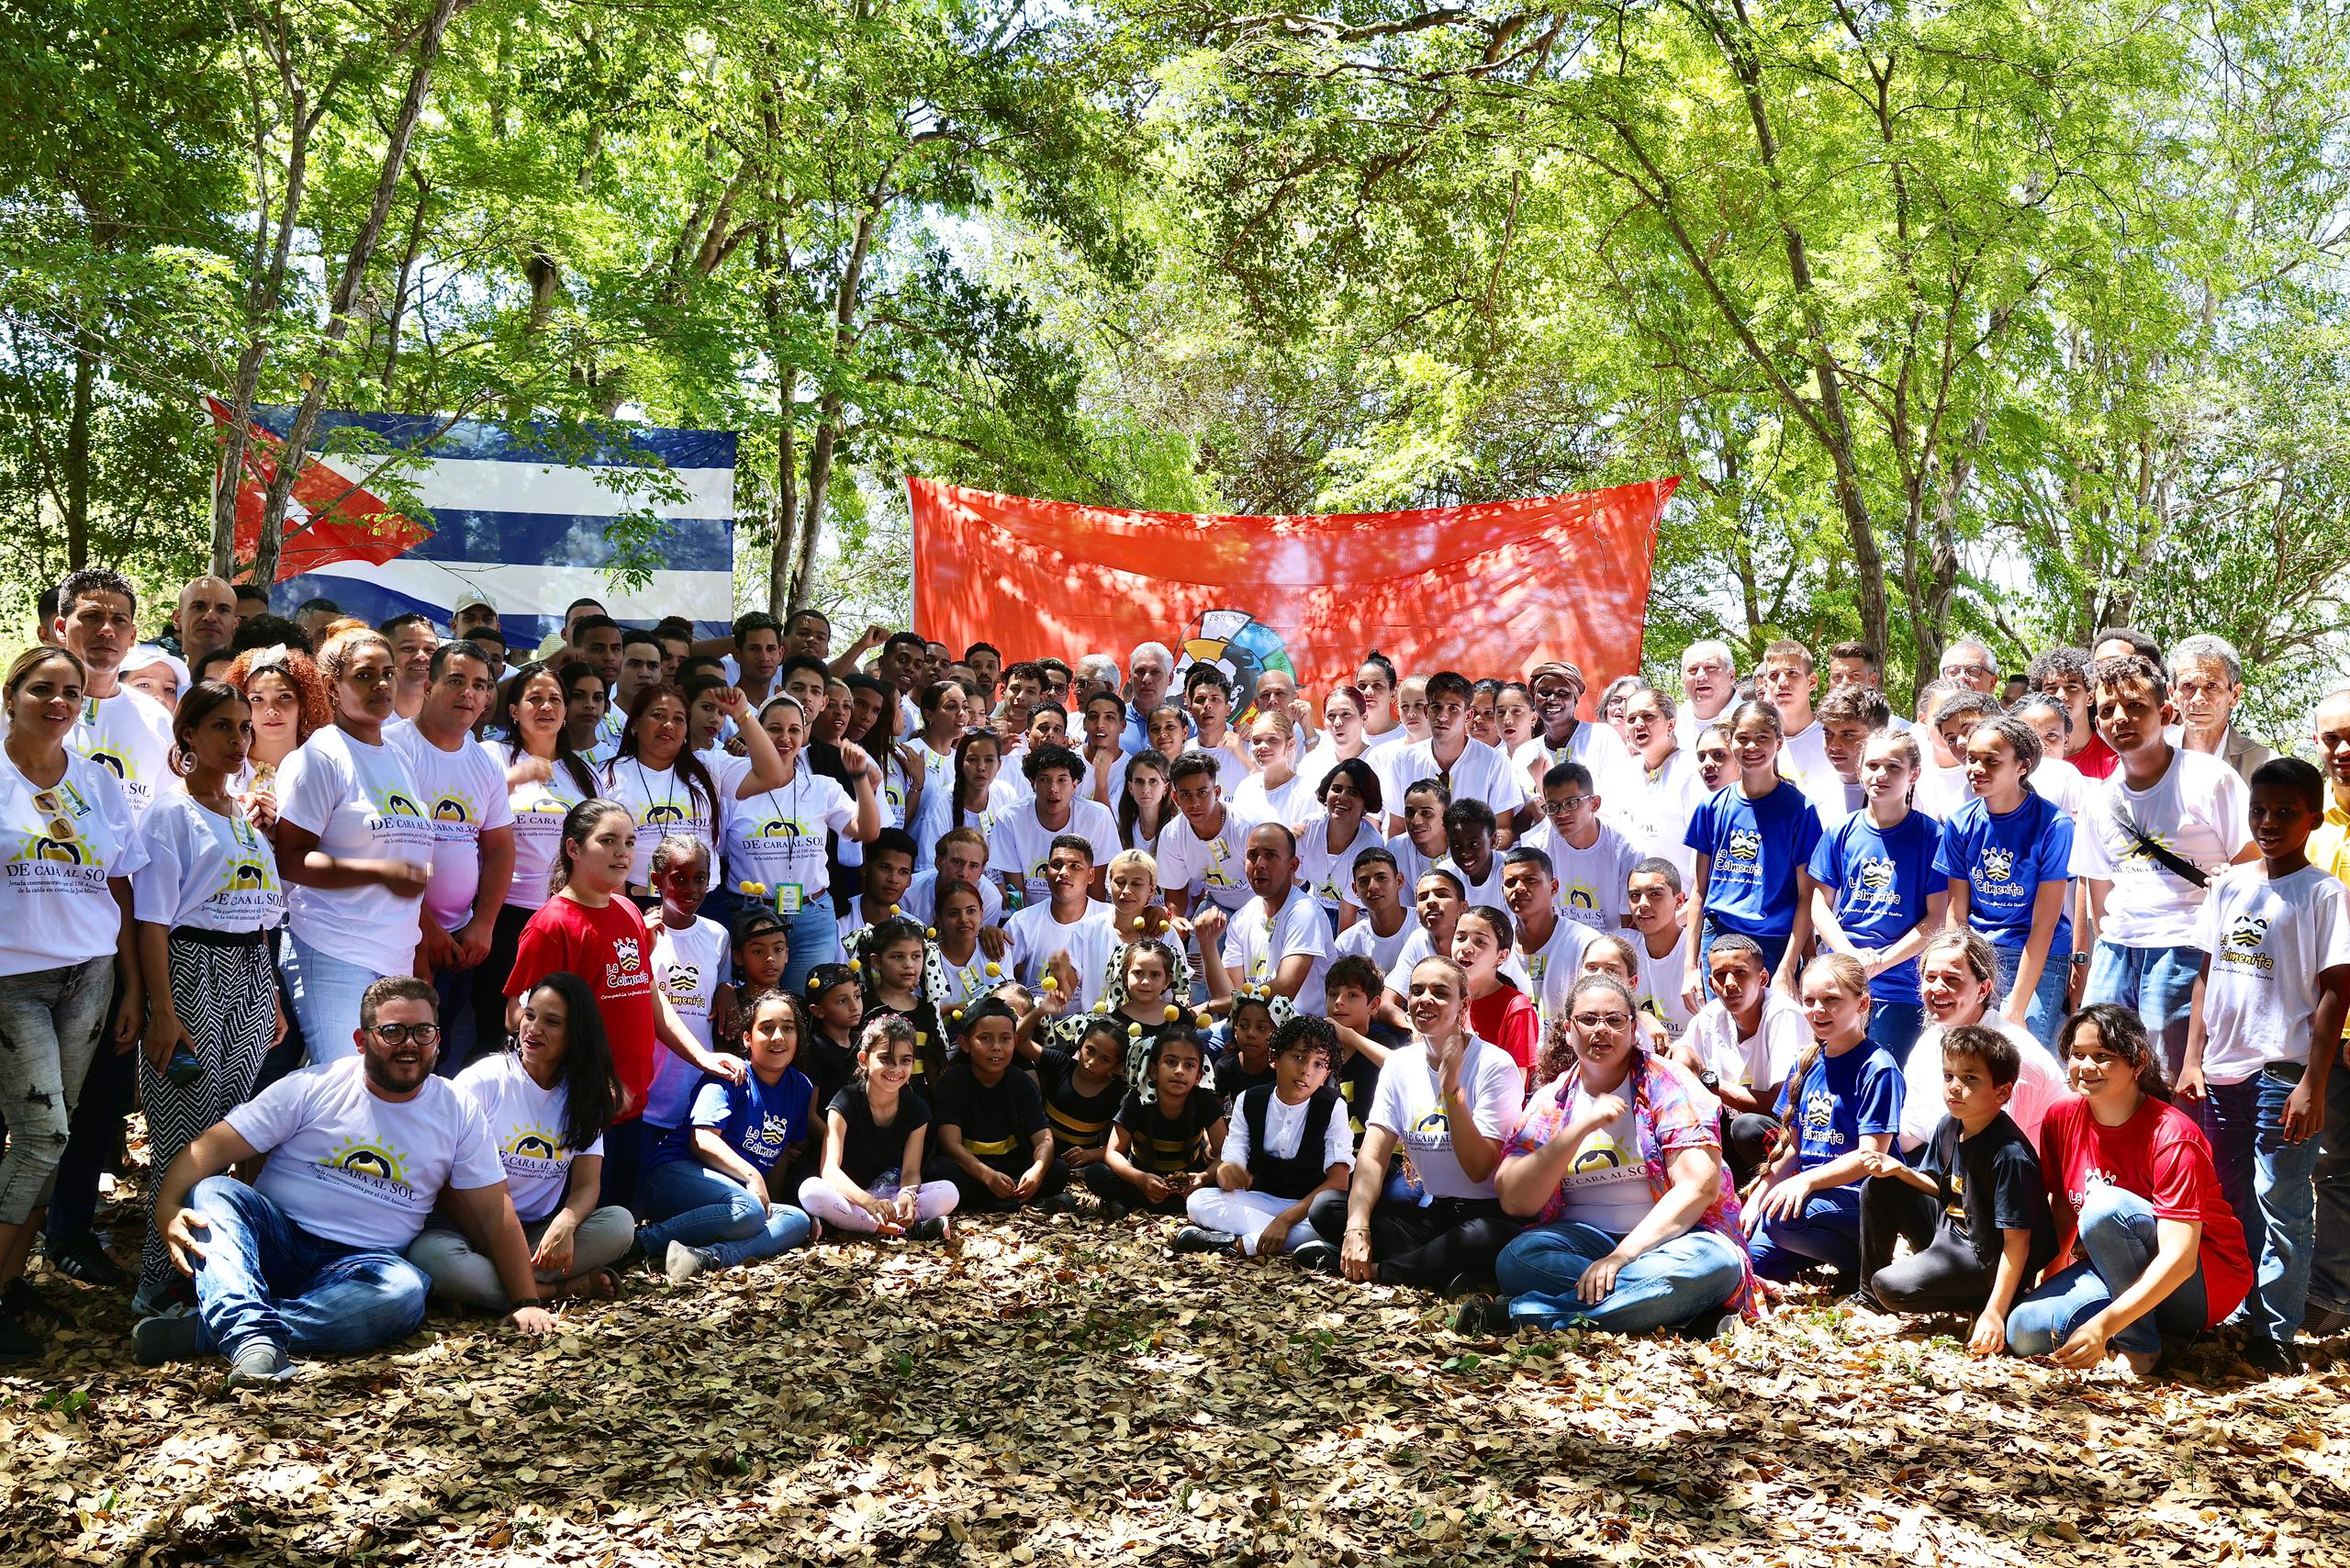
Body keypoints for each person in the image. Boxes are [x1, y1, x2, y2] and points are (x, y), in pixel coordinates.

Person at [136, 978, 554, 1385]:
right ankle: (249, 1334)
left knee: (406, 1292)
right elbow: (210, 1148)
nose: (409, 1043)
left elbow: (494, 1210)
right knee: (216, 1191)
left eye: (423, 1031)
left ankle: (222, 1333)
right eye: (392, 1031)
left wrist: (526, 1302)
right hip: (275, 1240)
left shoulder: (457, 1108)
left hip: (363, 1267)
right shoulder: (313, 1085)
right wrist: (166, 1208)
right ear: (361, 1039)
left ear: (438, 1040)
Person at [2178, 757, 2350, 1368]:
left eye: (2285, 812)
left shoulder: (2325, 894)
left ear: (2312, 817)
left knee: (2283, 1200)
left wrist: (2314, 1081)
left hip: (2285, 1072)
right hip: (2223, 1072)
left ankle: (2276, 1330)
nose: (2270, 822)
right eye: (2261, 811)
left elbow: (2335, 991)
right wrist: (2193, 1059)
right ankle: (2236, 1306)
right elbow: (2204, 974)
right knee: (2229, 1197)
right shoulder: (2228, 885)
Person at [1464, 974, 1753, 1336]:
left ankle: (1524, 1315)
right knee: (1517, 1258)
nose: (1601, 1030)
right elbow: (1515, 1200)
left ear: (1633, 1030)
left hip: (1672, 1242)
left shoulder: (1669, 1083)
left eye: (1614, 1020)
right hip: (1581, 1242)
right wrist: (1578, 1129)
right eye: (1588, 1019)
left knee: (1716, 1263)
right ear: (1569, 1030)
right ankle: (1680, 1312)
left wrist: (1621, 1258)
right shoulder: (1549, 1101)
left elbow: (1699, 1187)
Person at [0, 647, 144, 1355]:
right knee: (42, 1135)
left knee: (49, 1148)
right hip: (12, 981)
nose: (57, 702)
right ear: (11, 695)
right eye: (40, 689)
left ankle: (12, 1277)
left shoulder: (96, 783)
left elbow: (118, 885)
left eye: (69, 692)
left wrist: (133, 987)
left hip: (88, 977)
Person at [129, 682, 287, 1316]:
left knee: (229, 1131)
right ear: (188, 734)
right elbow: (153, 920)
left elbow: (260, 910)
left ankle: (210, 1276)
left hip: (250, 971)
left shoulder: (243, 815)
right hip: (192, 970)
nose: (237, 740)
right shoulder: (172, 814)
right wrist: (161, 1011)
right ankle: (155, 1281)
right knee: (181, 1135)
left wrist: (270, 991)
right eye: (222, 726)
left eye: (245, 728)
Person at [507, 801, 746, 1212]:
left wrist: (702, 1056)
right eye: (609, 841)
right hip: (578, 1107)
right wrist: (585, 1075)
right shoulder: (551, 925)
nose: (623, 852)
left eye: (630, 842)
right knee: (575, 1220)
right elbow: (517, 1017)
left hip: (632, 1102)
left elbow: (648, 997)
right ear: (574, 849)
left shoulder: (628, 911)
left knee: (619, 1218)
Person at [2007, 1004, 2252, 1374]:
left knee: (2105, 1208)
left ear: (2137, 1063)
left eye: (2102, 1056)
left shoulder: (2173, 1135)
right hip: (2114, 1266)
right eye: (2077, 1055)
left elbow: (2180, 1259)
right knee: (2024, 1330)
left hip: (2202, 1281)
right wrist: (2052, 1274)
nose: (2086, 1067)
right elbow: (2061, 1209)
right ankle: (2145, 1323)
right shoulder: (2061, 1116)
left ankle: (2141, 1348)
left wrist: (2103, 1326)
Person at [2073, 655, 2255, 1077]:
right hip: (2117, 953)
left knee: (2170, 1078)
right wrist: (2104, 950)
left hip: (2187, 951)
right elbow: (2099, 889)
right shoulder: (2098, 799)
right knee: (2104, 1076)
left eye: (2135, 706)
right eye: (2107, 711)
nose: (2121, 718)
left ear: (2166, 713)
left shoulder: (2212, 779)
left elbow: (2252, 871)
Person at [411, 972, 634, 1307]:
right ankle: (557, 1289)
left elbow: (588, 1185)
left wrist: (566, 1222)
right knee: (435, 1258)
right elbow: (441, 1183)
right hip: (466, 1229)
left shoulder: (585, 1095)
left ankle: (488, 1290)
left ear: (577, 1035)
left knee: (619, 1224)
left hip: (535, 1232)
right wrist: (497, 1246)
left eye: (552, 1022)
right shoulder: (484, 1079)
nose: (533, 1028)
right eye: (529, 1015)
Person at [1313, 955, 1526, 1291]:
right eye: (1416, 990)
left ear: (1463, 1005)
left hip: (1486, 1215)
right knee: (1328, 1208)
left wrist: (1453, 1093)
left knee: (1485, 1239)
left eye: (1440, 992)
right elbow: (1372, 1156)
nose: (1425, 999)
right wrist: (1357, 1226)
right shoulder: (1400, 1064)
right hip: (1435, 1215)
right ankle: (1441, 1270)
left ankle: (1382, 1270)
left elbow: (1479, 1168)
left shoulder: (1495, 1066)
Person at [272, 626, 433, 1061]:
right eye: (364, 676)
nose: (381, 684)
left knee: (387, 1086)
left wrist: (417, 950)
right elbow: (290, 859)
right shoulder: (319, 756)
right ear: (332, 687)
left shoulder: (399, 758)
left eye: (388, 673)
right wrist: (380, 873)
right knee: (345, 1083)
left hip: (396, 952)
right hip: (332, 948)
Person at [1855, 1024, 2058, 1352]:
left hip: (1984, 1254)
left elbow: (2017, 1242)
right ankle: (1868, 1300)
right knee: (1880, 1186)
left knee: (1890, 1285)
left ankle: (1983, 1300)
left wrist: (1995, 1311)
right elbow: (1940, 1186)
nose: (1955, 1087)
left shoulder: (2010, 1155)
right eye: (1949, 1076)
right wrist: (1899, 1171)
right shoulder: (1951, 1124)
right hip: (1950, 1231)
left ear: (2002, 1092)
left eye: (1970, 1079)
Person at [387, 641, 515, 1072]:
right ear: (429, 684)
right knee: (391, 1057)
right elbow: (383, 850)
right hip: (399, 938)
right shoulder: (391, 750)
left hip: (462, 944)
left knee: (440, 1059)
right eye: (456, 681)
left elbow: (499, 848)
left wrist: (483, 924)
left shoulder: (485, 763)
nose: (469, 694)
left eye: (480, 685)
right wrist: (424, 928)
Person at [635, 987, 819, 1283]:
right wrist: (752, 1176)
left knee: (796, 1219)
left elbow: (781, 1154)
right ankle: (642, 1243)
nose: (778, 1037)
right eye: (766, 1028)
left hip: (736, 1198)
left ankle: (703, 1258)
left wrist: (772, 1202)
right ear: (747, 1039)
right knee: (749, 1210)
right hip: (673, 1175)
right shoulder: (729, 1075)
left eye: (788, 1028)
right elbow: (702, 1140)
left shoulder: (801, 1088)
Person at [1743, 956, 1905, 1289]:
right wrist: (1760, 1193)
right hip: (1814, 1197)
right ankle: (1813, 1250)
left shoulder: (1878, 1068)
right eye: (1809, 1000)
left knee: (1780, 1221)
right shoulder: (1806, 1062)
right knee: (1744, 1257)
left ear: (1863, 1003)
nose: (1818, 1009)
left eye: (1832, 1000)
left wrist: (1804, 1183)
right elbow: (1791, 1147)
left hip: (1859, 1198)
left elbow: (1869, 1157)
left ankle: (1866, 1262)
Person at [1801, 730, 1945, 1065]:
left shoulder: (1932, 836)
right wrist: (1850, 957)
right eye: (1873, 765)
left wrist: (1883, 961)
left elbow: (1936, 916)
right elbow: (1819, 904)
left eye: (1893, 767)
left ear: (1914, 774)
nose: (1881, 775)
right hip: (1842, 980)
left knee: (1883, 1076)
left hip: (1900, 986)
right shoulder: (1841, 831)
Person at [722, 695, 882, 991]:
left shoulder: (822, 787)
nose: (785, 738)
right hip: (751, 916)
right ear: (756, 729)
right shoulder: (731, 785)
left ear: (805, 733)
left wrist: (859, 777)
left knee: (805, 1010)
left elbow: (867, 831)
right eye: (774, 729)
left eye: (794, 730)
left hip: (811, 917)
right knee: (754, 1010)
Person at [1937, 713, 2076, 1049]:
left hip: (2036, 955)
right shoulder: (1960, 822)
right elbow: (1956, 913)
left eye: (1991, 761)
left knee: (2022, 1051)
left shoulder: (2054, 825)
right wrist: (1959, 970)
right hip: (1979, 952)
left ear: (2022, 766)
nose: (1976, 769)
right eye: (1971, 759)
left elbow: (2044, 924)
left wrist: (2017, 1001)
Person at [1177, 1017, 1352, 1264]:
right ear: (1275, 1059)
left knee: (1332, 1221)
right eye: (1299, 1057)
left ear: (1326, 1075)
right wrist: (1229, 1173)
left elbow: (1338, 1182)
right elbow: (1229, 1164)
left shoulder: (1332, 1107)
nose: (1307, 1071)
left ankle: (1236, 1244)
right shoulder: (1249, 1100)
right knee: (1198, 1201)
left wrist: (1286, 1220)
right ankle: (1280, 1242)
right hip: (1262, 1199)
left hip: (1307, 1208)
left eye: (1319, 1064)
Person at [1681, 700, 1822, 1006]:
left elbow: (1806, 898)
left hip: (1772, 944)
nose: (1752, 746)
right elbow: (1699, 891)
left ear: (1779, 742)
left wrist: (1787, 966)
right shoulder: (1712, 807)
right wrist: (1690, 966)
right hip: (1717, 938)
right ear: (1731, 742)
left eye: (1762, 737)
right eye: (1743, 737)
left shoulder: (1800, 809)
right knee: (1718, 1037)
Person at [606, 679, 789, 895]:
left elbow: (774, 776)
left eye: (678, 719)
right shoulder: (608, 774)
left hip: (705, 900)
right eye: (659, 716)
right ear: (635, 723)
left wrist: (742, 714)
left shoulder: (710, 765)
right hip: (641, 899)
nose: (669, 725)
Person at [1895, 930, 2068, 1156]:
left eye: (1952, 979)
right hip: (1955, 1165)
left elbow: (1996, 1152)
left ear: (1983, 989)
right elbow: (1912, 1131)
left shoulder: (2012, 1052)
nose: (1937, 988)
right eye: (1930, 977)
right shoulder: (1929, 1042)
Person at [1671, 934, 1806, 1190]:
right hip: (1732, 1138)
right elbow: (1680, 1057)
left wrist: (1710, 1084)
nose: (1730, 983)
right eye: (1721, 975)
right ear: (1711, 984)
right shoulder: (1710, 1016)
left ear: (1762, 978)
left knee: (1746, 1127)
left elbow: (1778, 1105)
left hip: (1782, 1137)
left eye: (1740, 972)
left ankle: (1782, 1186)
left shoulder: (1782, 1014)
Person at [923, 996, 1061, 1211]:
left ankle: (1001, 1200)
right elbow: (950, 1144)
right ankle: (1013, 1202)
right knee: (937, 1170)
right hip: (971, 1169)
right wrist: (986, 1175)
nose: (996, 1047)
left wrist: (1038, 1170)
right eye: (985, 1038)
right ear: (965, 1043)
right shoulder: (953, 1082)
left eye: (1005, 1039)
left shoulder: (1021, 1081)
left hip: (1012, 1166)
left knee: (1057, 1170)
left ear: (1015, 1042)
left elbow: (1043, 1137)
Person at [1195, 823, 1332, 1016]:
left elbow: (1285, 990)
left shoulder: (1305, 912)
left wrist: (1211, 1006)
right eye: (1252, 855)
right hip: (1252, 1028)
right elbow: (1228, 997)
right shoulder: (1241, 918)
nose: (1259, 863)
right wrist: (1207, 945)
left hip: (1301, 1031)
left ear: (1292, 865)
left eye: (1270, 855)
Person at [1091, 1027, 1224, 1215]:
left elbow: (1226, 1154)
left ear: (1198, 1077)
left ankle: (1134, 1205)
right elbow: (1112, 1152)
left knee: (1231, 1178)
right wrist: (1140, 1179)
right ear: (1153, 1070)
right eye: (1171, 1062)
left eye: (1189, 1065)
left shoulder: (1204, 1100)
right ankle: (1158, 1204)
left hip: (1188, 1186)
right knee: (1097, 1174)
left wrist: (1203, 1177)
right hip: (1142, 1179)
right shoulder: (1138, 1099)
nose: (1179, 1071)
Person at [1383, 671, 1528, 834]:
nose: (1443, 717)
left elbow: (1504, 828)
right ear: (1426, 711)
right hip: (1416, 859)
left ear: (1468, 715)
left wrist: (1476, 844)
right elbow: (1396, 827)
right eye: (1436, 707)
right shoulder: (1402, 760)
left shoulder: (1496, 762)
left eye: (1453, 708)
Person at [988, 742, 1118, 909]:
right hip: (1029, 918)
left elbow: (1096, 891)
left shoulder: (1098, 817)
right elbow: (1016, 893)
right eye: (1044, 780)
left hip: (1083, 919)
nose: (1053, 789)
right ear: (1032, 783)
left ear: (1074, 785)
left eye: (1062, 780)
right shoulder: (1010, 818)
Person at [1524, 762, 1639, 934]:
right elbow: (1537, 918)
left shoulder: (1626, 851)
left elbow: (1628, 928)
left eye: (1571, 803)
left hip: (1611, 948)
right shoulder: (1537, 848)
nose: (1562, 814)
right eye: (1553, 806)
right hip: (1562, 945)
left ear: (1595, 804)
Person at [1610, 685, 1703, 883]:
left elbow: (1704, 848)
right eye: (1631, 719)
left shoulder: (1692, 771)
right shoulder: (1624, 772)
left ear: (1671, 724)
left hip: (1680, 901)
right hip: (1634, 901)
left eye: (1648, 716)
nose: (1639, 724)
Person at [1156, 751, 1259, 919]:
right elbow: (1176, 890)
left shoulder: (1247, 827)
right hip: (1216, 906)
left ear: (1217, 792)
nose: (1194, 803)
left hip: (1259, 907)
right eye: (1185, 794)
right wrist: (1175, 920)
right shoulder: (1172, 835)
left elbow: (1272, 884)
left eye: (1202, 792)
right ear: (1175, 798)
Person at [1502, 847, 1595, 1036]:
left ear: (1553, 887)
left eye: (1530, 880)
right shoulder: (1497, 946)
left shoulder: (1586, 943)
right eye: (1510, 882)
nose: (1518, 888)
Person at [1451, 904, 1539, 1087]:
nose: (1466, 948)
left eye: (1480, 942)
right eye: (1460, 938)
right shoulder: (1446, 999)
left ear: (1502, 956)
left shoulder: (1517, 1007)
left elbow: (1515, 1085)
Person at [2168, 634, 2275, 783]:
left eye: (2212, 686)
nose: (2198, 699)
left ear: (2235, 695)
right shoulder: (2149, 758)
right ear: (2172, 694)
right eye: (2188, 686)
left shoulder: (2266, 768)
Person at [2030, 646, 2118, 781]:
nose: (2061, 695)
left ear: (2090, 698)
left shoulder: (2113, 763)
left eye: (2072, 687)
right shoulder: (2025, 759)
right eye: (2051, 688)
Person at [1331, 847, 1419, 977]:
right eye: (1364, 881)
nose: (1373, 886)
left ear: (1399, 881)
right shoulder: (1346, 944)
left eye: (1381, 878)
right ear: (1355, 889)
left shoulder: (1422, 926)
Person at [1675, 641, 1739, 750]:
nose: (1700, 676)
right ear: (1683, 681)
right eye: (1692, 670)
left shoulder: (1754, 720)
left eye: (1710, 668)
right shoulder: (1672, 724)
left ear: (1731, 675)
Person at [379, 613, 438, 722]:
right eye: (408, 648)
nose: (421, 657)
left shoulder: (453, 728)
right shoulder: (361, 723)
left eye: (430, 650)